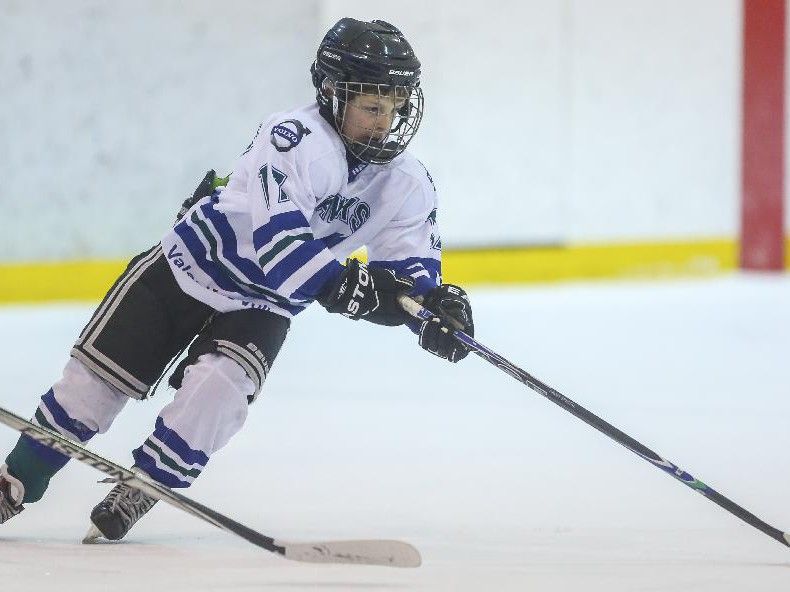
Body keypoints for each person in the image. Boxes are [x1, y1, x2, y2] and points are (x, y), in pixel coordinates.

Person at [0, 17, 474, 540]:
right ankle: (13, 483)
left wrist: (432, 311)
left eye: (393, 107)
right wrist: (352, 291)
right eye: (371, 107)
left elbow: (409, 275)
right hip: (188, 268)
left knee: (219, 395)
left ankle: (145, 485)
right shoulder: (294, 138)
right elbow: (282, 246)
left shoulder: (407, 184)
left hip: (264, 306)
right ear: (334, 94)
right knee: (89, 393)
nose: (384, 124)